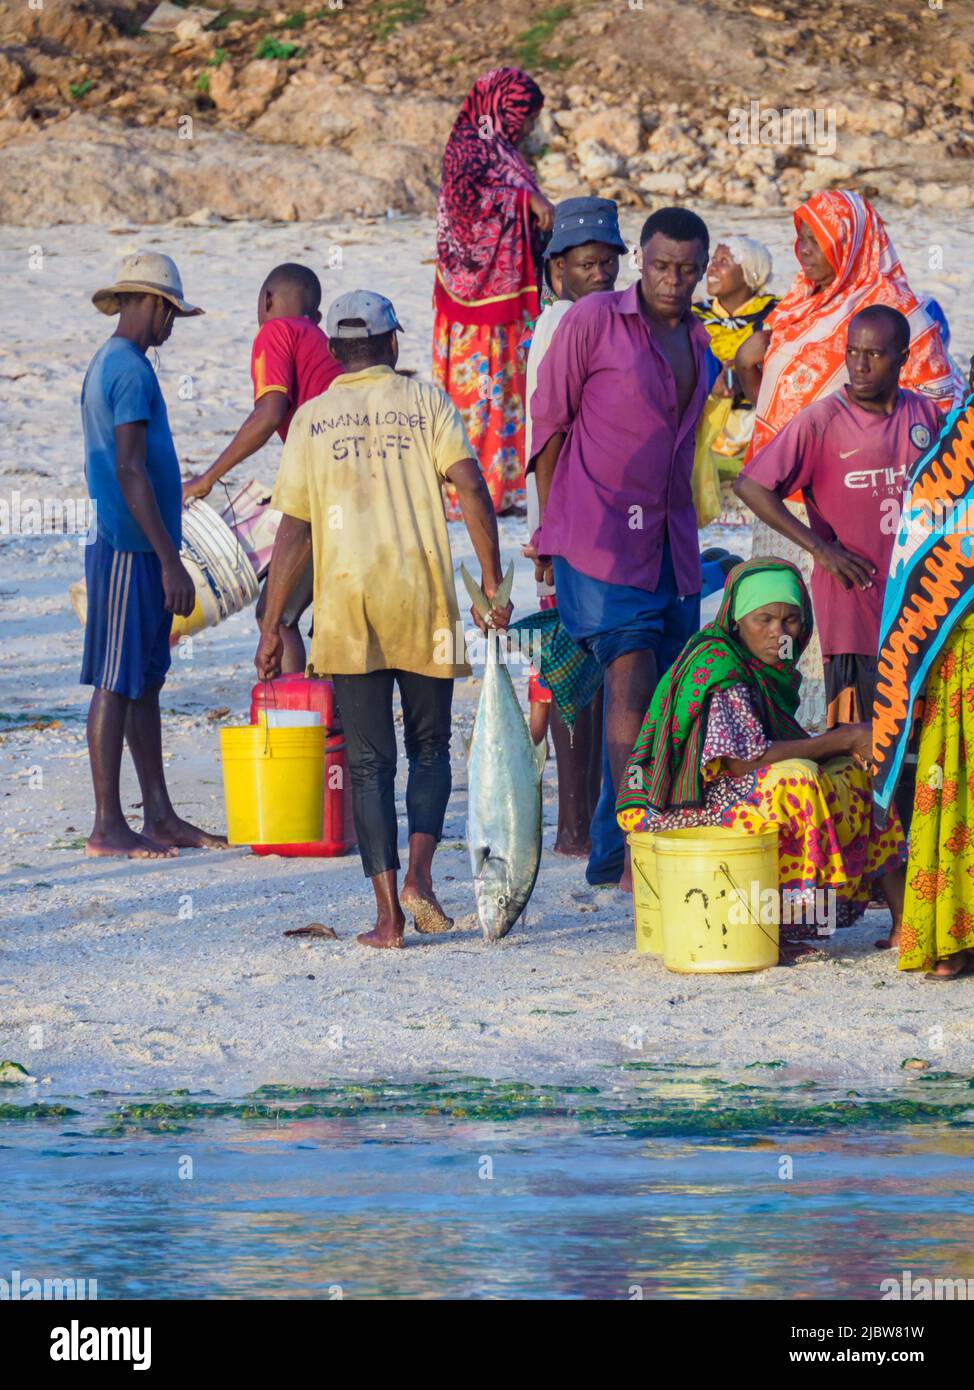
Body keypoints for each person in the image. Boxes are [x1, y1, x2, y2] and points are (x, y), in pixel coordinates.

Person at [256, 290, 510, 950]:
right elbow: (473, 488)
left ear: (335, 354)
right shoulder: (425, 402)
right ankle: (421, 878)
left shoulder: (313, 419)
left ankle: (387, 919)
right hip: (423, 599)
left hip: (346, 608)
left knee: (370, 764)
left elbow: (294, 531)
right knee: (430, 748)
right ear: (393, 344)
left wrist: (270, 623)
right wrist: (490, 579)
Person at [531, 206, 714, 887]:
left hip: (671, 541)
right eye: (663, 266)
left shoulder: (698, 341)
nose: (674, 279)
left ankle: (611, 850)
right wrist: (549, 530)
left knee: (671, 689)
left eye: (688, 269)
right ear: (642, 259)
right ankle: (639, 849)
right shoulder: (591, 322)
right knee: (629, 674)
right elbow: (548, 425)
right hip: (600, 535)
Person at [734, 190, 964, 733]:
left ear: (850, 240)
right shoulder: (794, 307)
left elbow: (945, 428)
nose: (803, 250)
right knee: (808, 672)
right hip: (802, 509)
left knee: (899, 718)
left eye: (818, 238)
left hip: (896, 561)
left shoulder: (896, 312)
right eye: (801, 238)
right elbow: (763, 407)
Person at [616, 558, 907, 954]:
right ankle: (777, 929)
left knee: (859, 773)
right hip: (684, 805)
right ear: (737, 621)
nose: (778, 633)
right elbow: (741, 761)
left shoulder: (767, 669)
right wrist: (843, 738)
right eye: (764, 619)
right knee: (795, 784)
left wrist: (848, 747)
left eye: (790, 621)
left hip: (729, 786)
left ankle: (904, 922)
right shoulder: (719, 666)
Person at [734, 306, 942, 829]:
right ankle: (870, 863)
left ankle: (913, 857)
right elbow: (752, 486)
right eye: (852, 352)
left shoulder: (924, 415)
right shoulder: (823, 420)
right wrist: (819, 547)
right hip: (853, 615)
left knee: (917, 740)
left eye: (874, 353)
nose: (860, 364)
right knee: (863, 744)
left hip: (919, 612)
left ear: (903, 357)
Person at [81, 252, 226, 858]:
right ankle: (108, 824)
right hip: (127, 547)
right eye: (171, 315)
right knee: (118, 681)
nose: (171, 329)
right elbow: (129, 469)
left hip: (138, 546)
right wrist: (171, 561)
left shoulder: (120, 364)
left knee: (143, 679)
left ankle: (159, 813)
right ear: (156, 305)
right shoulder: (128, 370)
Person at [522, 196, 628, 856]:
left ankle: (581, 813)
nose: (601, 274)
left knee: (585, 662)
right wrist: (552, 535)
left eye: (610, 263)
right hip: (568, 524)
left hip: (590, 521)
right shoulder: (564, 323)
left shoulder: (590, 317)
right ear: (557, 266)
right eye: (587, 263)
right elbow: (547, 438)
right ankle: (572, 819)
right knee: (571, 666)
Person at [182, 263, 343, 674]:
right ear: (317, 316)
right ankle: (331, 718)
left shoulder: (275, 332)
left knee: (276, 614)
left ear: (266, 300)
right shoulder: (321, 340)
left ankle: (297, 716)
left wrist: (207, 478)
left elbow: (269, 412)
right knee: (330, 614)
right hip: (356, 487)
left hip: (327, 492)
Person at [872, 391, 974, 974]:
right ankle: (950, 941)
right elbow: (917, 572)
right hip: (956, 654)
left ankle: (948, 942)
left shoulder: (937, 462)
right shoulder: (944, 464)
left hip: (950, 657)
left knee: (952, 789)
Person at [433, 67, 554, 520]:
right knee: (481, 394)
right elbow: (468, 209)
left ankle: (506, 486)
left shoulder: (502, 152)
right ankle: (473, 489)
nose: (527, 127)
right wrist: (527, 203)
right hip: (475, 300)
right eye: (524, 116)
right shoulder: (469, 149)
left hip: (508, 299)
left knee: (510, 391)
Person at [691, 236, 776, 524]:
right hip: (708, 413)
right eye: (713, 260)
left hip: (756, 415)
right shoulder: (694, 315)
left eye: (724, 262)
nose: (712, 268)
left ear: (750, 274)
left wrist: (744, 372)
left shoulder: (775, 314)